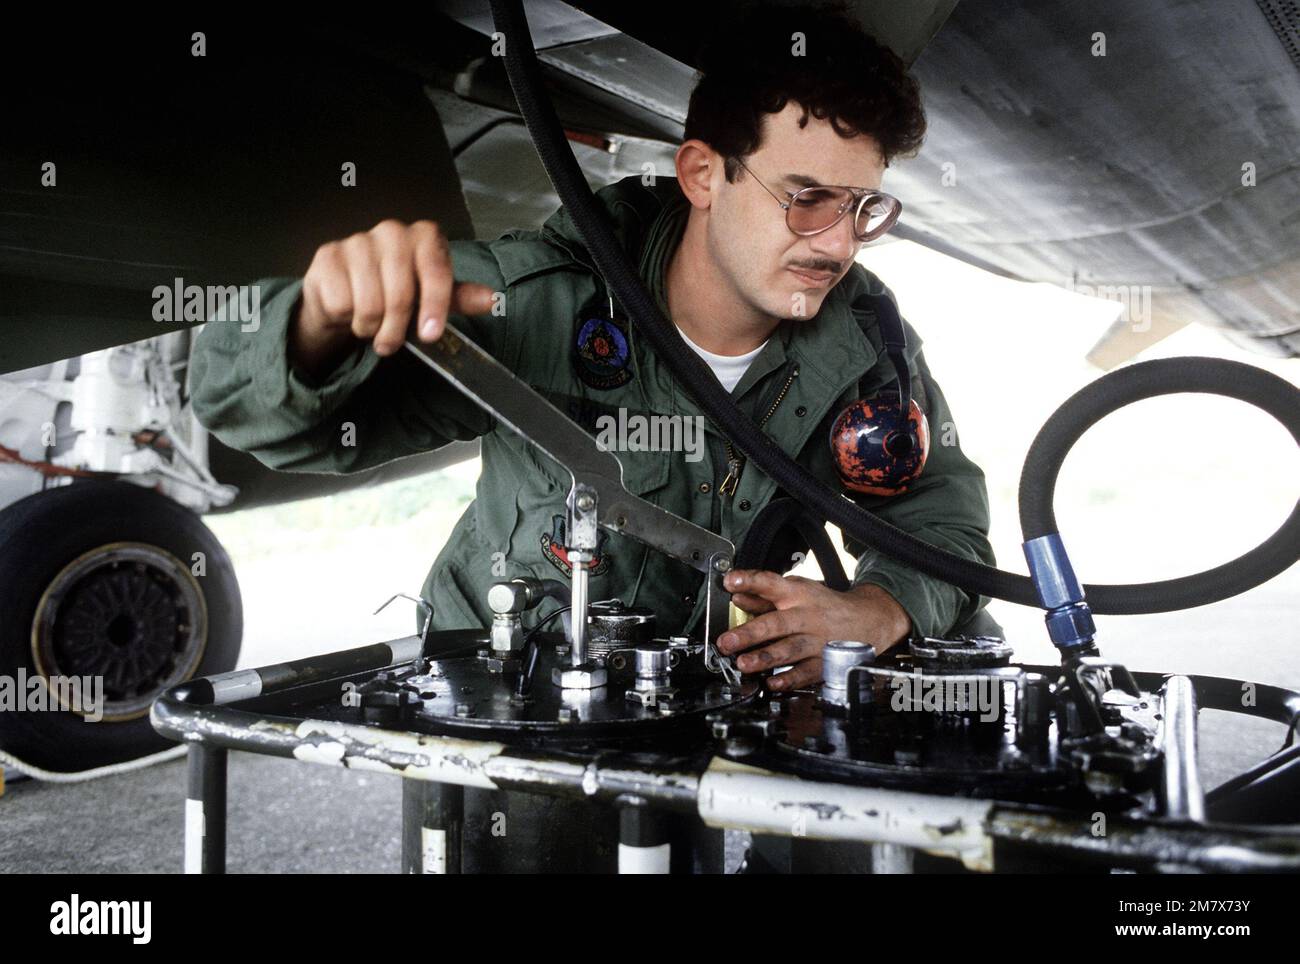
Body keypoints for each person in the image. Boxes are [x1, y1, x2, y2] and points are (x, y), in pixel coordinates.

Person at [190, 4, 998, 693]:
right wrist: (317, 321)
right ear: (702, 175)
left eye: (863, 209)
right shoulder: (542, 297)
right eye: (806, 199)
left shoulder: (862, 346)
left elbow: (945, 520)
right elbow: (255, 413)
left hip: (699, 711)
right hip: (502, 705)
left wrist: (877, 609)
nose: (838, 243)